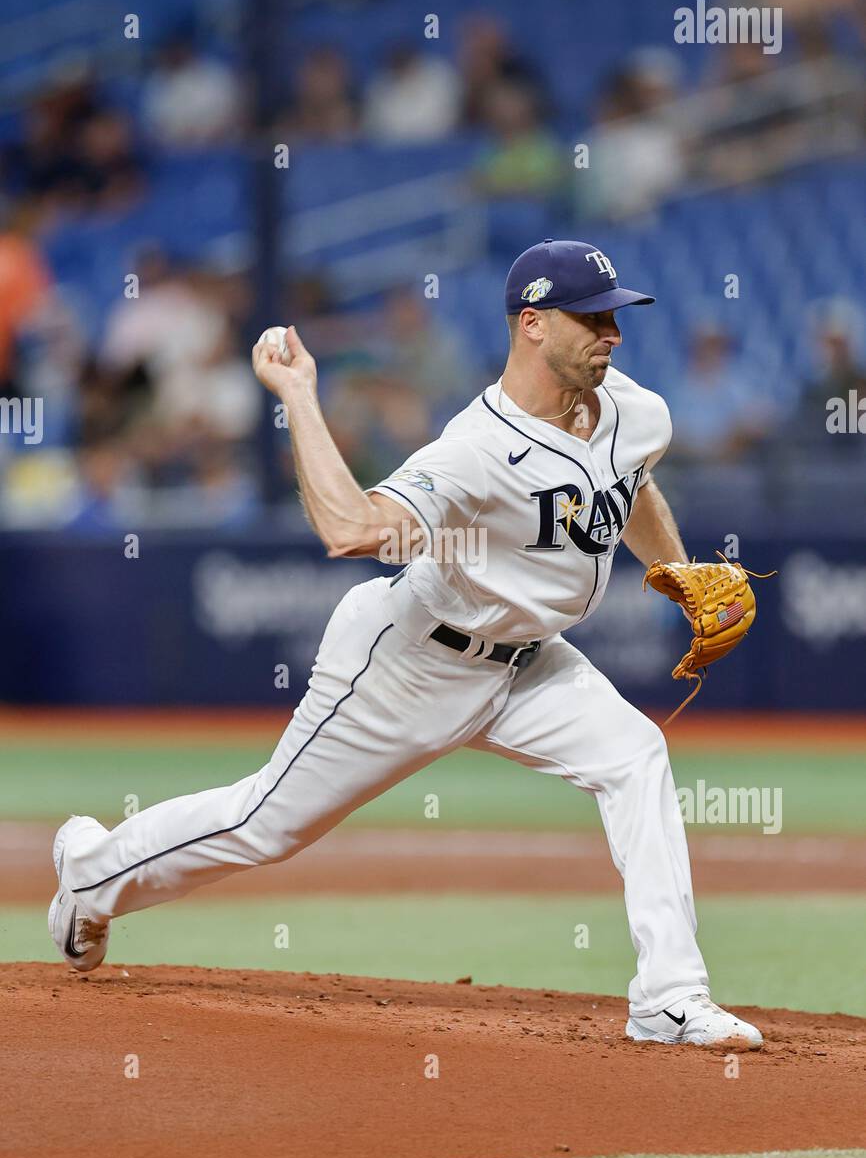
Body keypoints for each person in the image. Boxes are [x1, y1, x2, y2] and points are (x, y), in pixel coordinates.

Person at [48, 238, 762, 1049]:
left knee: (637, 756)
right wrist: (299, 395)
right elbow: (353, 529)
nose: (613, 332)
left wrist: (676, 568)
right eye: (593, 317)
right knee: (266, 824)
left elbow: (632, 485)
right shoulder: (474, 452)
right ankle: (91, 874)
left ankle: (669, 998)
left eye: (616, 316)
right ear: (532, 323)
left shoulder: (636, 412)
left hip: (533, 665)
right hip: (414, 658)